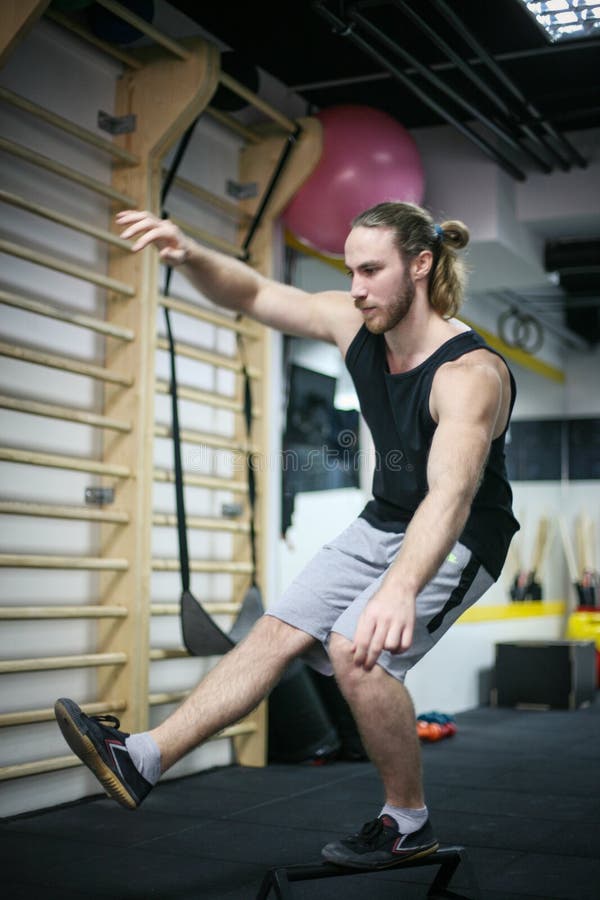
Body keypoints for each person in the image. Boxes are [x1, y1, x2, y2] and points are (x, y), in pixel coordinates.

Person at [55, 201, 519, 871]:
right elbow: (253, 293)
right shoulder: (354, 325)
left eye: (371, 271)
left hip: (463, 533)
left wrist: (400, 587)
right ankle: (143, 758)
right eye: (349, 271)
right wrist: (190, 253)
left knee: (355, 651)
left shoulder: (469, 375)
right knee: (278, 629)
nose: (355, 288)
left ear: (420, 265)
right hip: (385, 516)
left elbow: (450, 495)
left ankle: (407, 822)